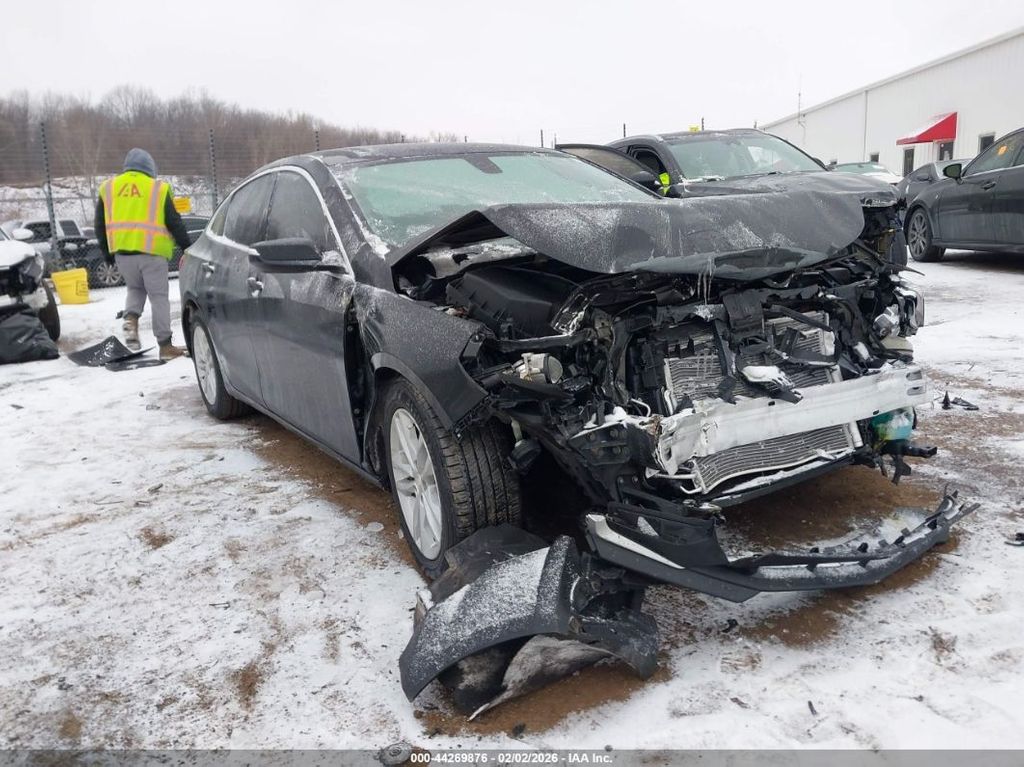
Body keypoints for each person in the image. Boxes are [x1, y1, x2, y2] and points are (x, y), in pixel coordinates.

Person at [95, 148, 191, 360]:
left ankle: (131, 319)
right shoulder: (158, 188)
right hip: (152, 253)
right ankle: (165, 346)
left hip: (122, 254)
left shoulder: (108, 187)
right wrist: (187, 247)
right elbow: (174, 221)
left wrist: (107, 253)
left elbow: (99, 225)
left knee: (135, 289)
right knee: (158, 298)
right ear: (150, 168)